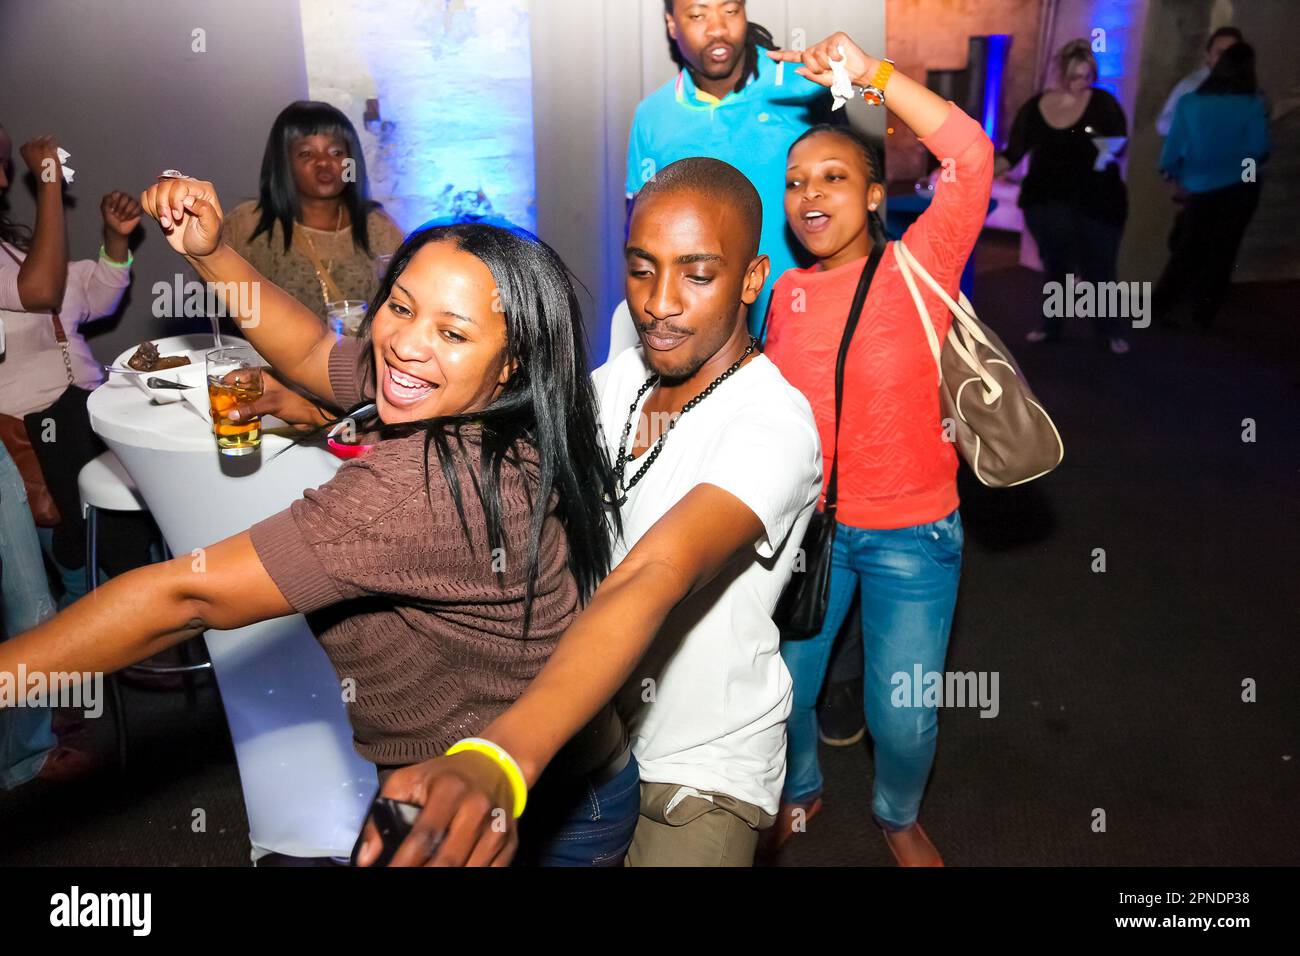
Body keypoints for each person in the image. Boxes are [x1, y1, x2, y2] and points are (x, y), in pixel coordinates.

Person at [0, 175, 639, 867]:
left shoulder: (423, 488)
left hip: (525, 809)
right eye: (401, 306)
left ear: (511, 363)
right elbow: (310, 352)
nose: (406, 345)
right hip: (506, 775)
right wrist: (209, 252)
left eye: (451, 332)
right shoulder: (491, 403)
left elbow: (186, 594)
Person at [355, 154, 823, 868]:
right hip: (591, 734)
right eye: (641, 269)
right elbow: (508, 408)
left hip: (697, 767)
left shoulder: (773, 426)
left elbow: (653, 573)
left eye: (697, 275)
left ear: (752, 279)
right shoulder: (631, 368)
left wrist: (505, 758)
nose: (660, 302)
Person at [756, 34, 993, 867]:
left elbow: (969, 151)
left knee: (905, 713)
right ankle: (800, 786)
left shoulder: (921, 265)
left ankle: (897, 813)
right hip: (809, 533)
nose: (809, 194)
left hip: (913, 533)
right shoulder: (782, 294)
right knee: (785, 691)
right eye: (794, 183)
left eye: (832, 177)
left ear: (872, 193)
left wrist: (871, 77)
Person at [0, 125, 152, 604]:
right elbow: (42, 291)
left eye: (4, 169)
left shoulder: (13, 254)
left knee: (110, 566)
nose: (4, 182)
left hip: (83, 420)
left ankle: (124, 664)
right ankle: (87, 674)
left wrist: (115, 240)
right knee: (85, 578)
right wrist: (49, 181)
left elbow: (91, 298)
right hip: (33, 439)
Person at [625, 0, 831, 334]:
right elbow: (639, 232)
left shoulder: (801, 82)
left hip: (807, 322)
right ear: (672, 24)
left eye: (730, 10)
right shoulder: (652, 115)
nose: (718, 28)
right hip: (704, 332)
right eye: (697, 15)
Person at [997, 40, 1131, 354]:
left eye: (1088, 76)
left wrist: (1106, 150)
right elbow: (1013, 154)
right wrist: (976, 173)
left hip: (1098, 200)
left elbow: (1118, 145)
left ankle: (1109, 329)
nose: (1082, 84)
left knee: (1100, 267)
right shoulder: (1035, 108)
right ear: (1059, 75)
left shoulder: (1103, 104)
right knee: (1056, 266)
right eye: (1075, 77)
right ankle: (1050, 325)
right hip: (1047, 201)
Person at [222, 101, 404, 319]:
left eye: (336, 152)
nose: (324, 162)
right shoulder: (249, 225)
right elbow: (214, 303)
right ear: (284, 164)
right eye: (306, 154)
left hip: (357, 353)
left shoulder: (378, 227)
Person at [1154, 43, 1270, 329]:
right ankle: (1203, 314)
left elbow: (1173, 147)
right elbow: (1257, 148)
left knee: (1186, 248)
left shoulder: (1191, 102)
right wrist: (1245, 177)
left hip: (1198, 184)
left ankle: (1160, 306)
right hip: (1237, 188)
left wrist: (1172, 174)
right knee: (1223, 252)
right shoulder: (1251, 104)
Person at [1156, 26, 1243, 138]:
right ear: (1208, 56)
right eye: (1221, 53)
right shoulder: (1191, 85)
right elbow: (1162, 124)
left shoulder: (1247, 89)